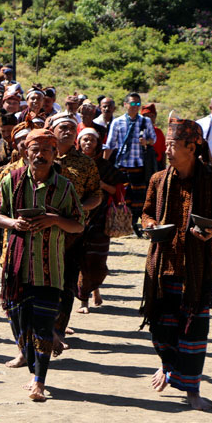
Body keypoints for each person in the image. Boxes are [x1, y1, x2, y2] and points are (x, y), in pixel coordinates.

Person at [140, 117, 212, 411]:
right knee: (160, 327)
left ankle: (191, 390)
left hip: (196, 270)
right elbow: (144, 214)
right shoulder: (158, 180)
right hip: (161, 266)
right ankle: (168, 366)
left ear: (191, 148)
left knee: (193, 332)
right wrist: (152, 225)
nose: (166, 150)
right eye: (166, 144)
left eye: (172, 145)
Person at [0, 129, 85, 402]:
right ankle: (33, 362)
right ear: (25, 152)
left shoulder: (65, 187)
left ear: (55, 154)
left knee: (42, 325)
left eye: (47, 150)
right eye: (35, 149)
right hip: (16, 267)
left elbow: (78, 224)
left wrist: (55, 220)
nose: (40, 154)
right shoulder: (12, 180)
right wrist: (13, 223)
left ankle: (39, 381)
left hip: (50, 269)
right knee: (19, 322)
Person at [49, 114, 101, 349]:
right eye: (63, 127)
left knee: (67, 281)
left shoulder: (86, 163)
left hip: (74, 231)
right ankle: (43, 328)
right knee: (44, 281)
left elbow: (96, 194)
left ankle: (59, 329)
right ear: (52, 130)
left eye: (72, 128)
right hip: (43, 229)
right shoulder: (41, 156)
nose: (68, 131)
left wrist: (81, 207)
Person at [76, 128, 126, 313]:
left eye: (92, 140)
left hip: (101, 219)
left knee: (97, 260)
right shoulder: (72, 164)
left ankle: (95, 288)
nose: (88, 143)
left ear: (98, 144)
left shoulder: (106, 167)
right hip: (78, 218)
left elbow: (119, 191)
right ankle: (83, 301)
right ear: (79, 142)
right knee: (80, 258)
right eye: (85, 140)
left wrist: (102, 185)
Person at [104, 93, 156, 237]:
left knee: (139, 198)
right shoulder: (117, 122)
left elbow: (154, 139)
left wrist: (146, 142)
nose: (135, 107)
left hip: (140, 166)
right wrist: (103, 164)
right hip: (122, 166)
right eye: (132, 104)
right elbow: (110, 145)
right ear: (125, 105)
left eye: (138, 104)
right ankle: (126, 225)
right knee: (123, 197)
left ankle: (135, 224)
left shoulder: (145, 121)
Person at [141, 103, 166, 170]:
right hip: (141, 167)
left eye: (152, 116)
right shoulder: (138, 132)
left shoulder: (159, 132)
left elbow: (163, 152)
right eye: (147, 116)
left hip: (157, 166)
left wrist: (164, 169)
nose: (149, 119)